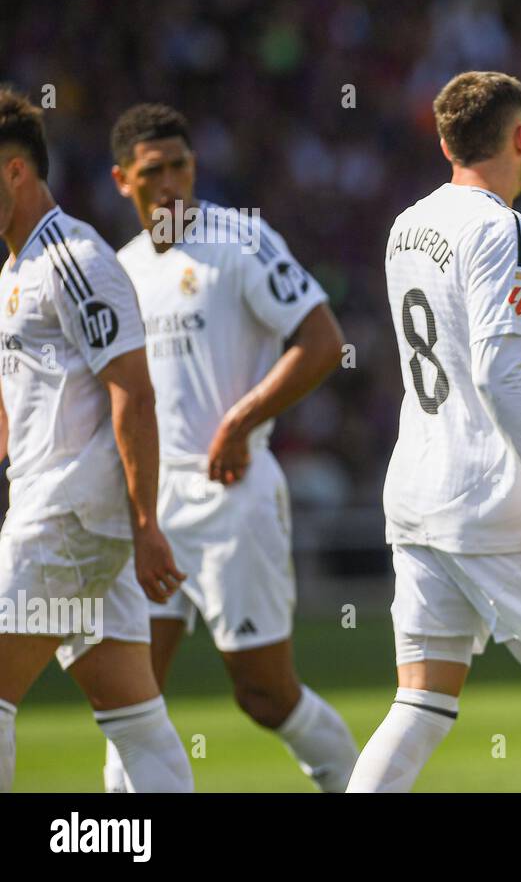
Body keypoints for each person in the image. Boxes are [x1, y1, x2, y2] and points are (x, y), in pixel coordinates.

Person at [348, 71, 521, 793]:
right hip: (494, 502)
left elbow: (461, 342)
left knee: (422, 704)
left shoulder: (410, 224)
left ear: (443, 142)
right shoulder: (506, 229)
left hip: (417, 495)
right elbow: (497, 373)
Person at [104, 103, 357, 792]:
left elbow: (323, 341)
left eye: (180, 166)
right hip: (153, 512)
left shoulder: (241, 238)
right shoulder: (118, 270)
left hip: (232, 497)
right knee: (129, 700)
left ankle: (360, 784)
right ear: (122, 179)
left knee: (264, 697)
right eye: (152, 171)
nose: (170, 184)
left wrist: (240, 422)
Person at [0, 87, 192, 792]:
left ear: (16, 170)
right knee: (137, 722)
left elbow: (132, 393)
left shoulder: (73, 259)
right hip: (69, 520)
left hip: (67, 520)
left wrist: (146, 524)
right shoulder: (14, 269)